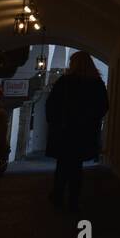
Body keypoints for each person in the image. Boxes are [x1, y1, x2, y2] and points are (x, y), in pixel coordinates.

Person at [45, 53, 109, 213]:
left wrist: (54, 123)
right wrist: (91, 121)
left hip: (65, 131)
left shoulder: (65, 82)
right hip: (84, 133)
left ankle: (58, 195)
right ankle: (73, 199)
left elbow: (51, 105)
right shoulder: (96, 84)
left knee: (63, 165)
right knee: (76, 167)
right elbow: (103, 106)